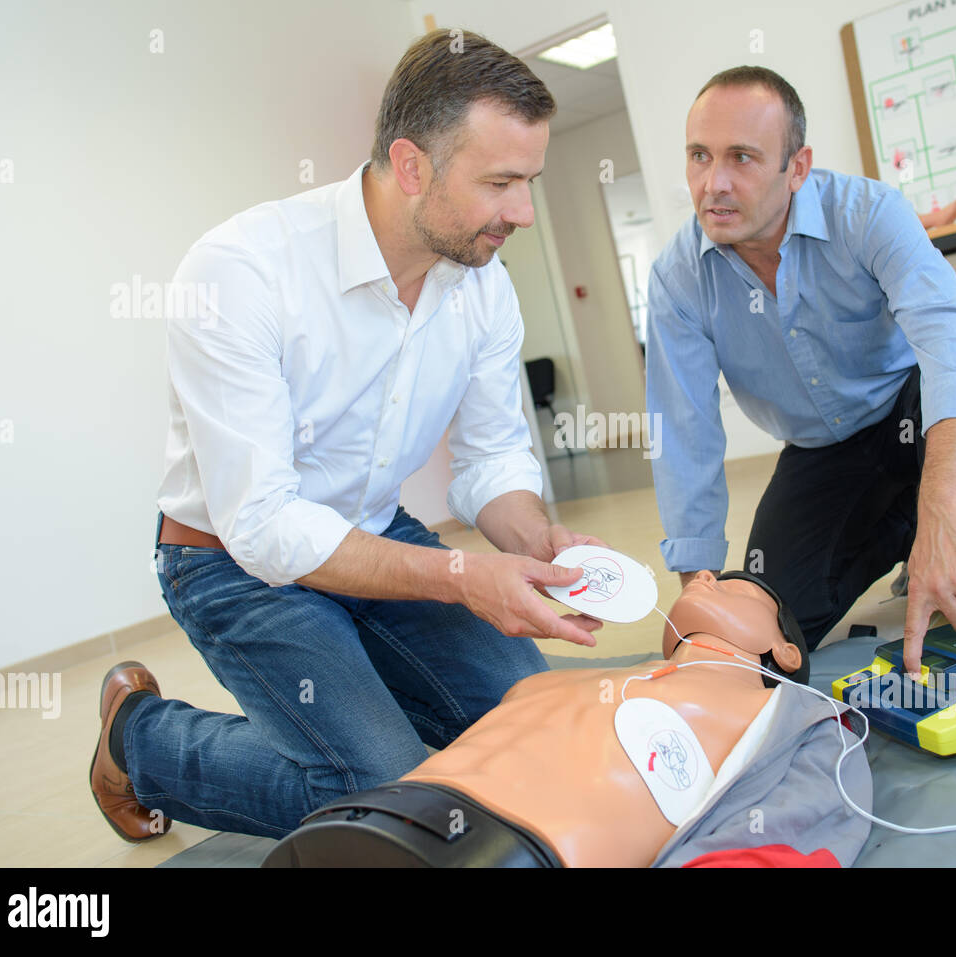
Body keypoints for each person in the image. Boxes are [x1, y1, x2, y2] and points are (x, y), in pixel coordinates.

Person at [90, 29, 607, 844]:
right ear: (411, 165)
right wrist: (463, 575)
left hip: (371, 532)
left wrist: (540, 538)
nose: (523, 213)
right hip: (227, 561)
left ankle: (358, 704)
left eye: (529, 181)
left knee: (530, 733)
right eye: (501, 182)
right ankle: (139, 738)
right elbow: (264, 525)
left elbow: (492, 458)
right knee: (402, 806)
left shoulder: (482, 287)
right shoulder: (241, 272)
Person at [645, 66, 956, 679]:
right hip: (818, 454)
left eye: (742, 157)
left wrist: (946, 507)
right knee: (767, 629)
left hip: (908, 411)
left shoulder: (869, 214)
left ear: (797, 168)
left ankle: (952, 538)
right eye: (699, 156)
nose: (714, 183)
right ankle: (911, 536)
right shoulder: (678, 278)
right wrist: (701, 591)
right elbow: (684, 428)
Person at [264, 570, 873, 868]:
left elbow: (801, 826)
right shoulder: (566, 680)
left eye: (738, 587)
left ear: (786, 653)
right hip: (344, 839)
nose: (708, 575)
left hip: (508, 856)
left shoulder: (796, 717)